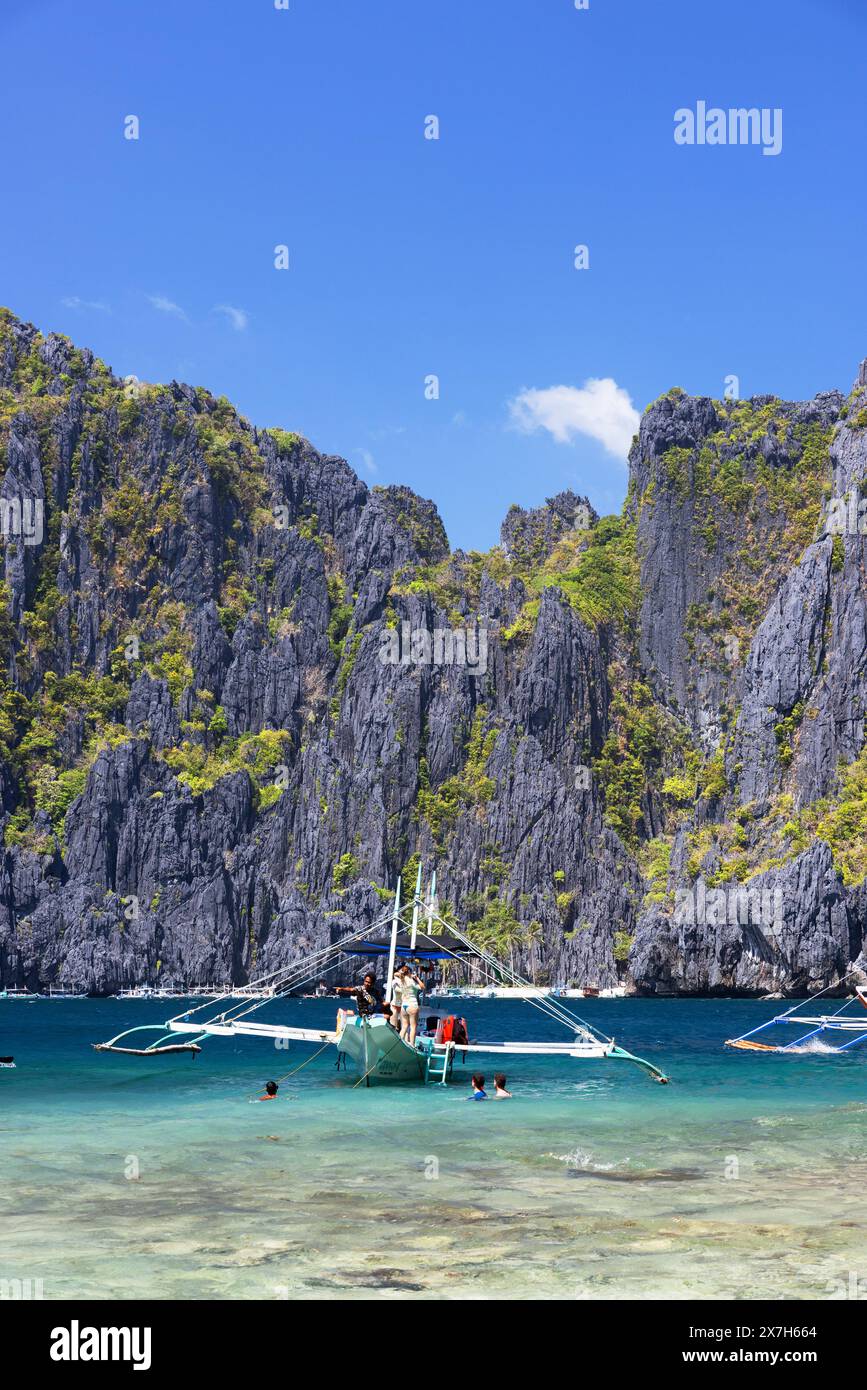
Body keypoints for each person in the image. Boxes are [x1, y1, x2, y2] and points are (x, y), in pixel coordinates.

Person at [393, 962, 425, 1044]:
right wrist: (416, 978)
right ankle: (412, 1045)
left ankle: (398, 1044)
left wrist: (401, 974)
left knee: (404, 1027)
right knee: (413, 1027)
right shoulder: (411, 981)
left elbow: (395, 974)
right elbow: (422, 987)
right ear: (409, 972)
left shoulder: (401, 981)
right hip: (412, 1005)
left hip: (404, 1006)